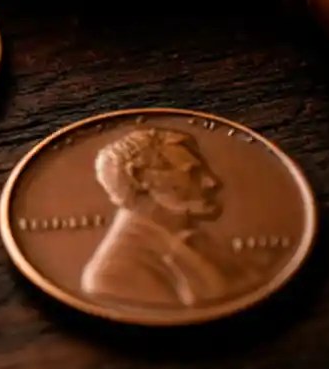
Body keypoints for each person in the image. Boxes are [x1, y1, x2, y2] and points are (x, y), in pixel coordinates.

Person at [81, 127, 260, 307]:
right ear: (141, 177)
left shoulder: (198, 243)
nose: (212, 182)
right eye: (192, 172)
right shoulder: (112, 277)